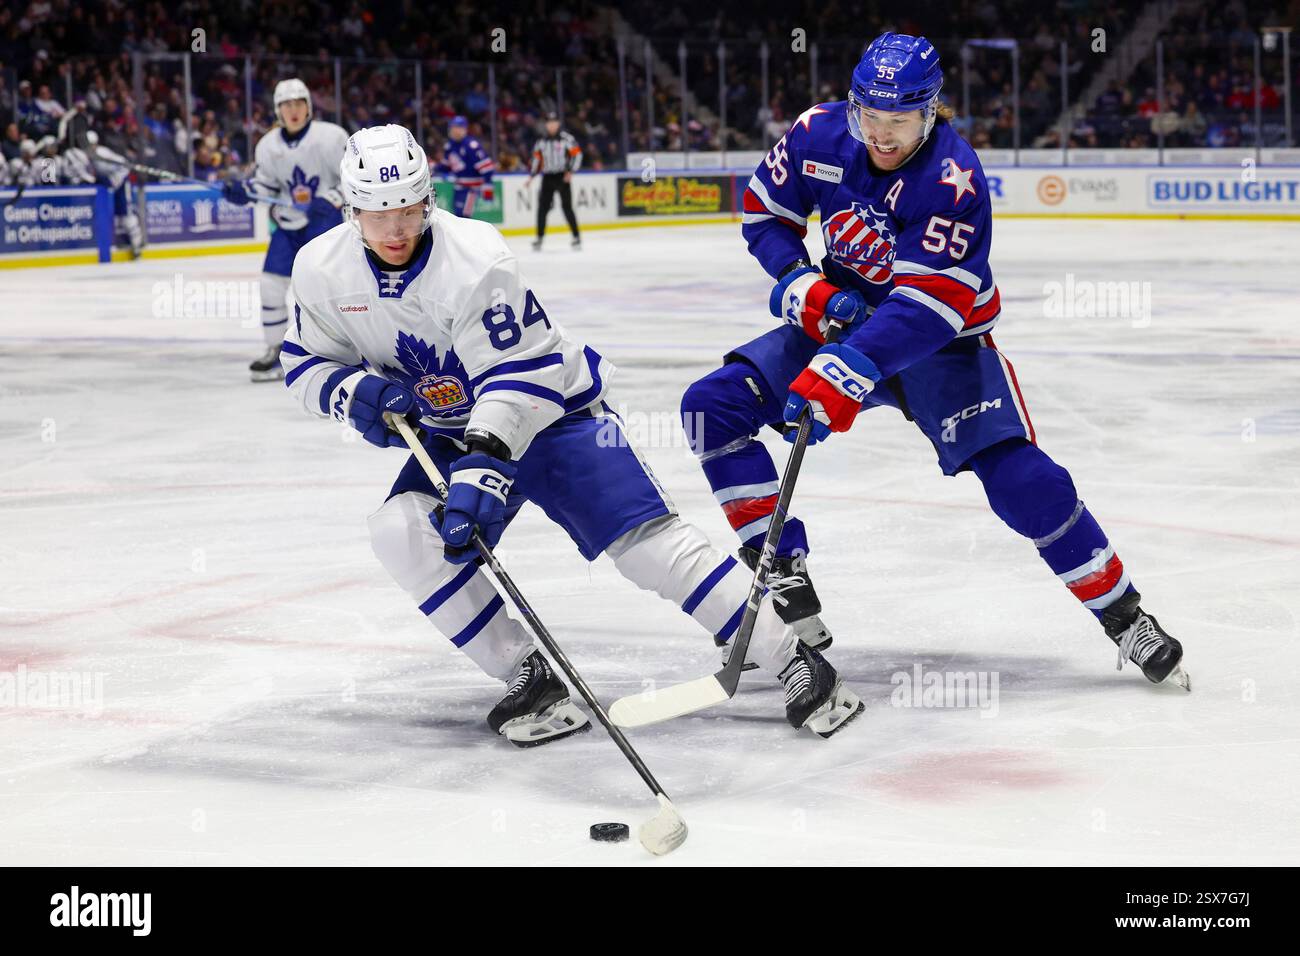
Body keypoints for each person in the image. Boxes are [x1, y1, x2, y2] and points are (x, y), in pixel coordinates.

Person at [280, 124, 864, 744]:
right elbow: (304, 360)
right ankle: (526, 676)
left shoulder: (474, 256)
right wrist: (351, 393)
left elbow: (521, 372)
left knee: (646, 547)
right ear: (350, 212)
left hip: (554, 416)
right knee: (401, 531)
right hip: (450, 434)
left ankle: (795, 660)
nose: (395, 229)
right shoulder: (319, 268)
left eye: (407, 210)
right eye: (377, 215)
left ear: (428, 200)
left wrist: (484, 464)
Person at [680, 32, 1190, 690]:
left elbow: (929, 308)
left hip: (940, 347)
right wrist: (802, 284)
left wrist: (848, 365)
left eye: (900, 122)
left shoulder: (954, 178)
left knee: (1025, 482)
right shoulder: (817, 134)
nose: (882, 137)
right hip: (847, 324)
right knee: (710, 407)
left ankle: (1124, 614)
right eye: (870, 118)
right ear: (851, 105)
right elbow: (764, 214)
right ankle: (782, 566)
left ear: (932, 113)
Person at [222, 78, 348, 382]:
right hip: (288, 223)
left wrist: (332, 199)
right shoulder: (268, 145)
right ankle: (275, 348)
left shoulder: (331, 137)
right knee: (269, 284)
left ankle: (341, 348)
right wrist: (244, 191)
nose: (293, 110)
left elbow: (351, 176)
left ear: (308, 107)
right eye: (286, 105)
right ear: (278, 110)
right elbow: (266, 185)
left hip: (324, 223)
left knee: (326, 289)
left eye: (299, 103)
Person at [527, 111, 581, 251]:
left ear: (558, 124)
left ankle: (576, 237)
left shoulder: (566, 139)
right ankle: (539, 238)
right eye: (549, 123)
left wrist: (570, 171)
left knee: (567, 207)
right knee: (542, 209)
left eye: (554, 122)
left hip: (562, 177)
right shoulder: (541, 141)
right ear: (546, 125)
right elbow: (536, 160)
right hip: (547, 177)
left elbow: (577, 154)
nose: (551, 125)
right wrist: (531, 176)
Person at [433, 115, 495, 218]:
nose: (453, 131)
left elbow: (487, 168)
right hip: (459, 187)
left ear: (464, 129)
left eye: (457, 128)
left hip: (472, 190)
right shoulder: (450, 146)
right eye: (452, 128)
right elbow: (446, 166)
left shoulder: (471, 146)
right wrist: (433, 168)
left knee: (465, 218)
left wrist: (487, 188)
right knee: (458, 216)